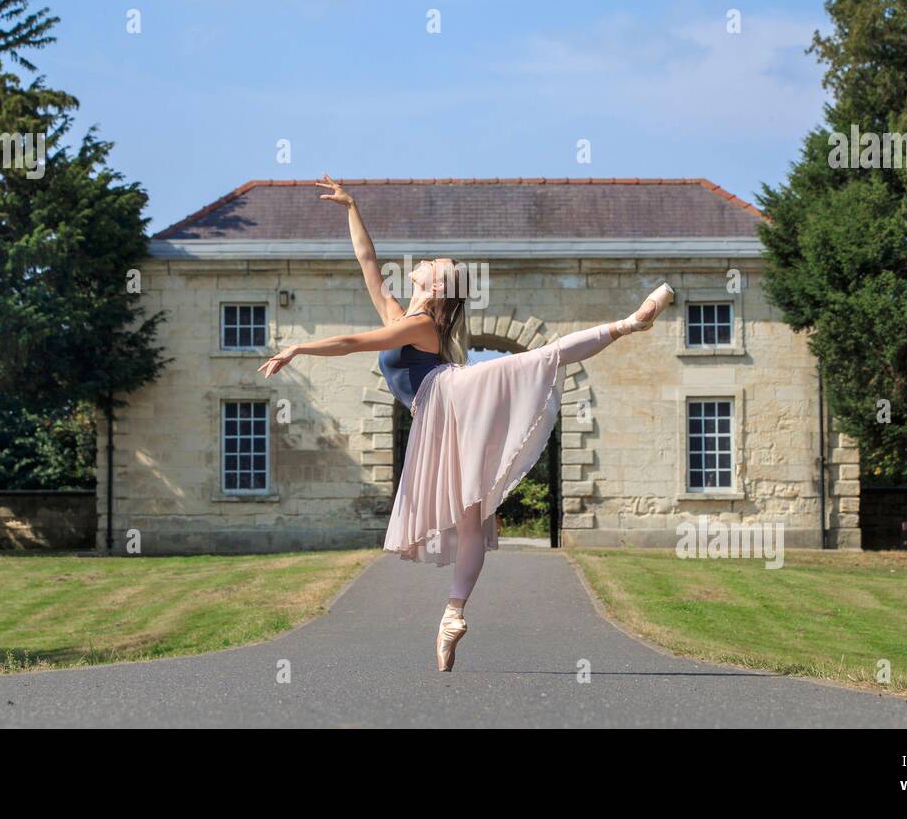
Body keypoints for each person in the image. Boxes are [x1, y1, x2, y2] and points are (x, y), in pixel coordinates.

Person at [257, 175, 674, 671]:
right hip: (441, 417)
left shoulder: (422, 325)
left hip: (453, 397)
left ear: (435, 286)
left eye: (437, 265)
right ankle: (452, 615)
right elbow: (368, 264)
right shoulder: (401, 315)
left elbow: (351, 343)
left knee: (542, 358)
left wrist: (300, 346)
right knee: (471, 517)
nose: (430, 261)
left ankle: (631, 323)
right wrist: (352, 207)